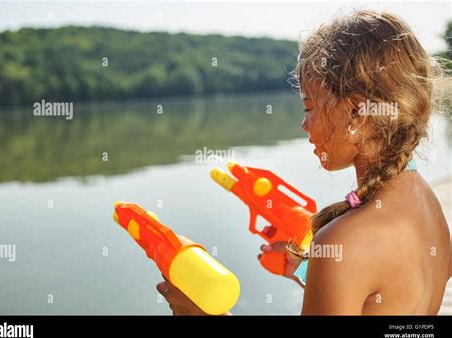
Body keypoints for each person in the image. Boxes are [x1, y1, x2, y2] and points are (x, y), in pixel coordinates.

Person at [156, 10, 451, 315]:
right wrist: (308, 271)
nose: (304, 126)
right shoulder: (430, 208)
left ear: (356, 115)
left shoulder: (345, 242)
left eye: (309, 107)